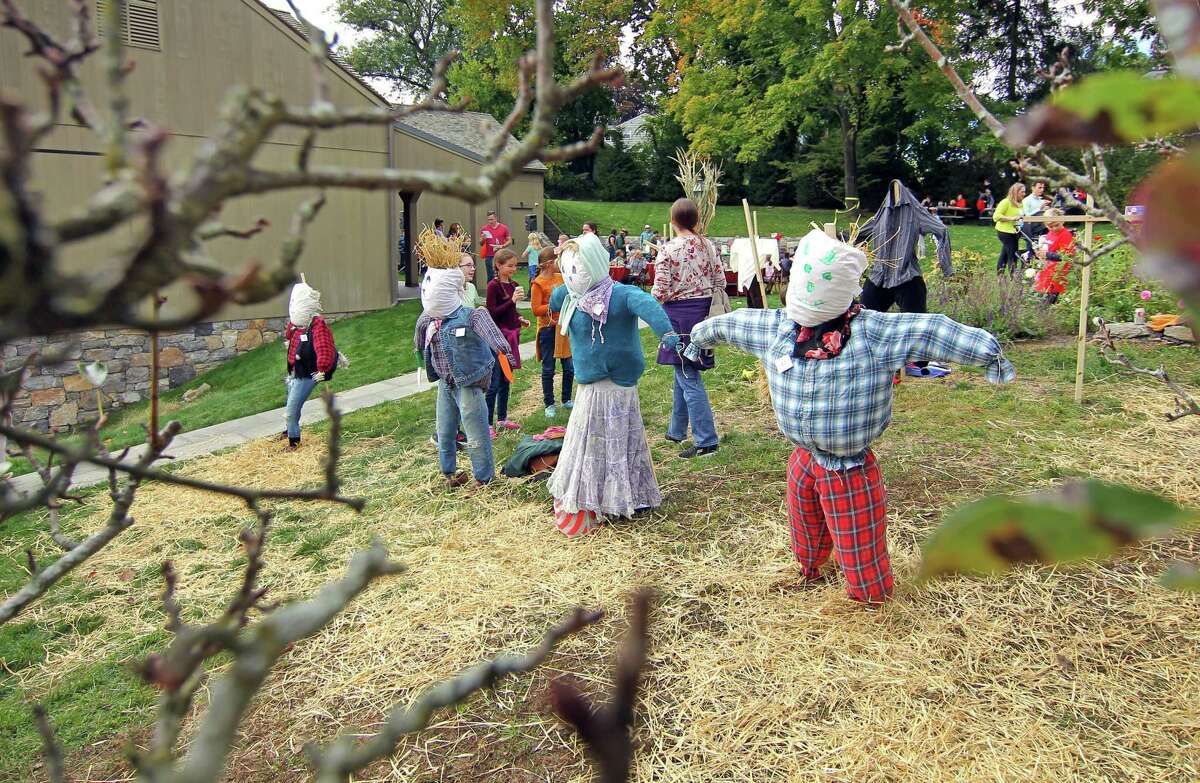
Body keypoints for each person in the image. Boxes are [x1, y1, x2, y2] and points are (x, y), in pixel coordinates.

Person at [685, 228, 1015, 606]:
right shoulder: (778, 326)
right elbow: (732, 324)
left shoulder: (873, 332)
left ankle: (870, 599)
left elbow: (931, 330)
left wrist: (990, 354)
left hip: (848, 470)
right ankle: (810, 567)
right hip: (803, 458)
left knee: (859, 539)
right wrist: (698, 340)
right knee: (804, 525)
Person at [548, 232, 679, 536]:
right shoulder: (573, 298)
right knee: (592, 440)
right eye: (566, 271)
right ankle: (593, 496)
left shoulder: (619, 295)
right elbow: (556, 297)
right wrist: (555, 302)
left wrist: (667, 334)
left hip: (619, 383)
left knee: (620, 437)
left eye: (576, 270)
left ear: (594, 264)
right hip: (591, 386)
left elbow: (647, 305)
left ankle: (625, 495)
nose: (571, 278)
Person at [415, 265, 515, 487]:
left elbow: (493, 335)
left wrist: (505, 354)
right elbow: (419, 338)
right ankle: (449, 473)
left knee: (476, 432)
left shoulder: (471, 316)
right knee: (445, 430)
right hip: (445, 383)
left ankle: (484, 478)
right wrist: (419, 357)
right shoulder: (428, 319)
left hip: (469, 383)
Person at [651, 197, 726, 459]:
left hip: (679, 316)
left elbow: (659, 291)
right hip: (703, 314)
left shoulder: (668, 249)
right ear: (695, 220)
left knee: (687, 374)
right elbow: (721, 280)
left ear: (672, 221)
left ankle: (706, 441)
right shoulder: (709, 245)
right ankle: (677, 429)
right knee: (682, 369)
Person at [857, 179, 954, 377]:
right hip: (879, 275)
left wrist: (946, 267)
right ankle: (864, 357)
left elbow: (941, 230)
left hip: (906, 275)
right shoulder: (881, 213)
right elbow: (859, 234)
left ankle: (916, 363)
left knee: (916, 322)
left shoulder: (915, 211)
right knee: (863, 318)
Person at [282, 281, 336, 450]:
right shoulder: (299, 325)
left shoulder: (317, 325)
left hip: (307, 373)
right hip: (294, 371)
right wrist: (292, 326)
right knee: (292, 404)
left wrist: (323, 368)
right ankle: (290, 429)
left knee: (291, 409)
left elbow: (323, 347)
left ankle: (294, 441)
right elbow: (289, 336)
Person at [485, 248, 528, 432]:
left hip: (511, 337)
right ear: (498, 265)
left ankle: (502, 418)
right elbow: (493, 313)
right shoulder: (493, 286)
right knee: (494, 381)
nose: (513, 269)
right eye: (509, 266)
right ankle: (487, 423)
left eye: (515, 266)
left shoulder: (514, 285)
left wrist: (519, 318)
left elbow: (509, 312)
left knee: (506, 379)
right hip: (497, 339)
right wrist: (511, 301)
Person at [531, 246, 574, 418]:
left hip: (563, 326)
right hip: (548, 329)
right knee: (548, 367)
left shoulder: (561, 278)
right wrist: (554, 305)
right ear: (549, 264)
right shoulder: (538, 284)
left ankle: (566, 399)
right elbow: (535, 309)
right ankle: (549, 403)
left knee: (569, 366)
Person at [1033, 209, 1075, 303]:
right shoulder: (1050, 233)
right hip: (1047, 269)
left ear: (1062, 221)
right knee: (1043, 297)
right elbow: (1048, 247)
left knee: (1050, 298)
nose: (1054, 228)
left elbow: (1066, 256)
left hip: (1057, 272)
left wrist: (1047, 254)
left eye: (1056, 225)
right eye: (1050, 226)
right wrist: (1040, 253)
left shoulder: (1065, 235)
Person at [993, 182, 1026, 274]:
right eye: (1022, 192)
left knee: (1004, 254)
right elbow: (996, 217)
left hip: (1015, 232)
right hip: (1005, 232)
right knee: (1013, 255)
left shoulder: (1021, 203)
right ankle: (1014, 278)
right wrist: (1011, 218)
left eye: (1024, 192)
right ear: (1015, 192)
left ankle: (1000, 275)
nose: (1024, 194)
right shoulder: (1006, 202)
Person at [479, 210, 512, 283]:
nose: (490, 221)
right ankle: (490, 292)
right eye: (488, 220)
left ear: (496, 218)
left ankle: (502, 290)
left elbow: (509, 241)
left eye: (491, 219)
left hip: (501, 255)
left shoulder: (504, 228)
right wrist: (483, 239)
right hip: (489, 256)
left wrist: (502, 246)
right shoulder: (484, 229)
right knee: (490, 276)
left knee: (502, 274)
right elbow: (481, 243)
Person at [1020, 180, 1051, 256]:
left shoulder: (1041, 200)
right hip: (1029, 227)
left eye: (1043, 188)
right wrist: (1040, 209)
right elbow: (1027, 217)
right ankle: (1029, 255)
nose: (1042, 190)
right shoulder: (1026, 200)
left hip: (1041, 227)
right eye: (1039, 187)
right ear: (1033, 188)